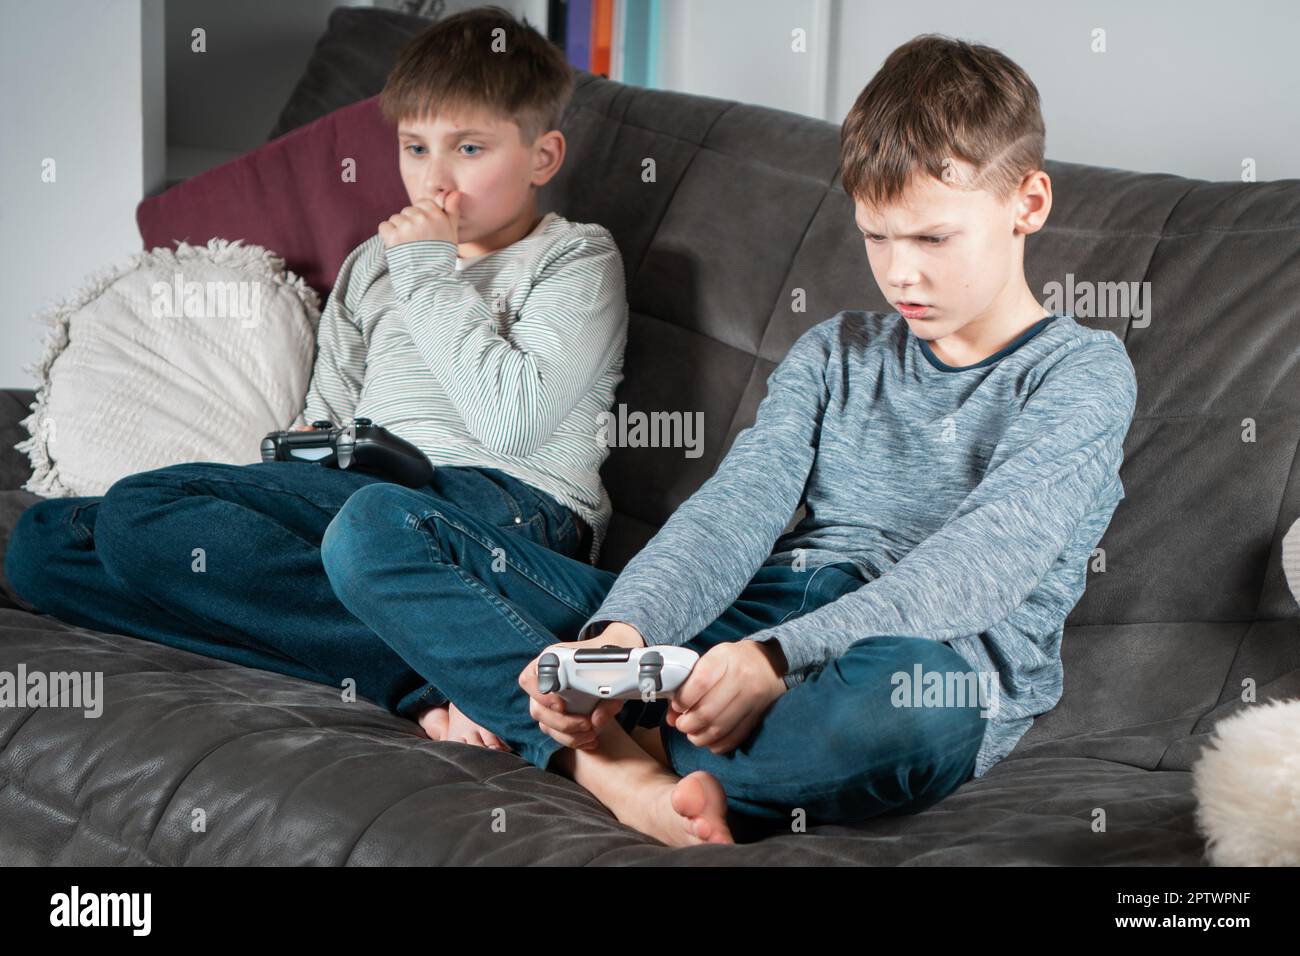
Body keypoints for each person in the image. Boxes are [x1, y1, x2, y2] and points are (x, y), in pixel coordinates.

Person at [318, 33, 1138, 846]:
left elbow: (983, 565)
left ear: (1027, 204)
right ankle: (631, 764)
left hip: (912, 658)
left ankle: (611, 735)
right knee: (372, 530)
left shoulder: (1081, 373)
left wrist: (776, 662)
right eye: (877, 236)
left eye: (931, 238)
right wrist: (625, 637)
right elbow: (736, 508)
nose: (900, 275)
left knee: (909, 712)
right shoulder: (836, 350)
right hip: (731, 634)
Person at [5, 6, 628, 747]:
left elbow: (511, 420)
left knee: (140, 513)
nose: (435, 178)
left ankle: (451, 673)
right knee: (44, 546)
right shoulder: (373, 264)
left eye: (468, 148)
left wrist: (428, 270)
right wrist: (303, 450)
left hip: (502, 507)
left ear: (542, 157)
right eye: (415, 147)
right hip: (367, 489)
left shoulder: (575, 259)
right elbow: (328, 414)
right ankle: (412, 662)